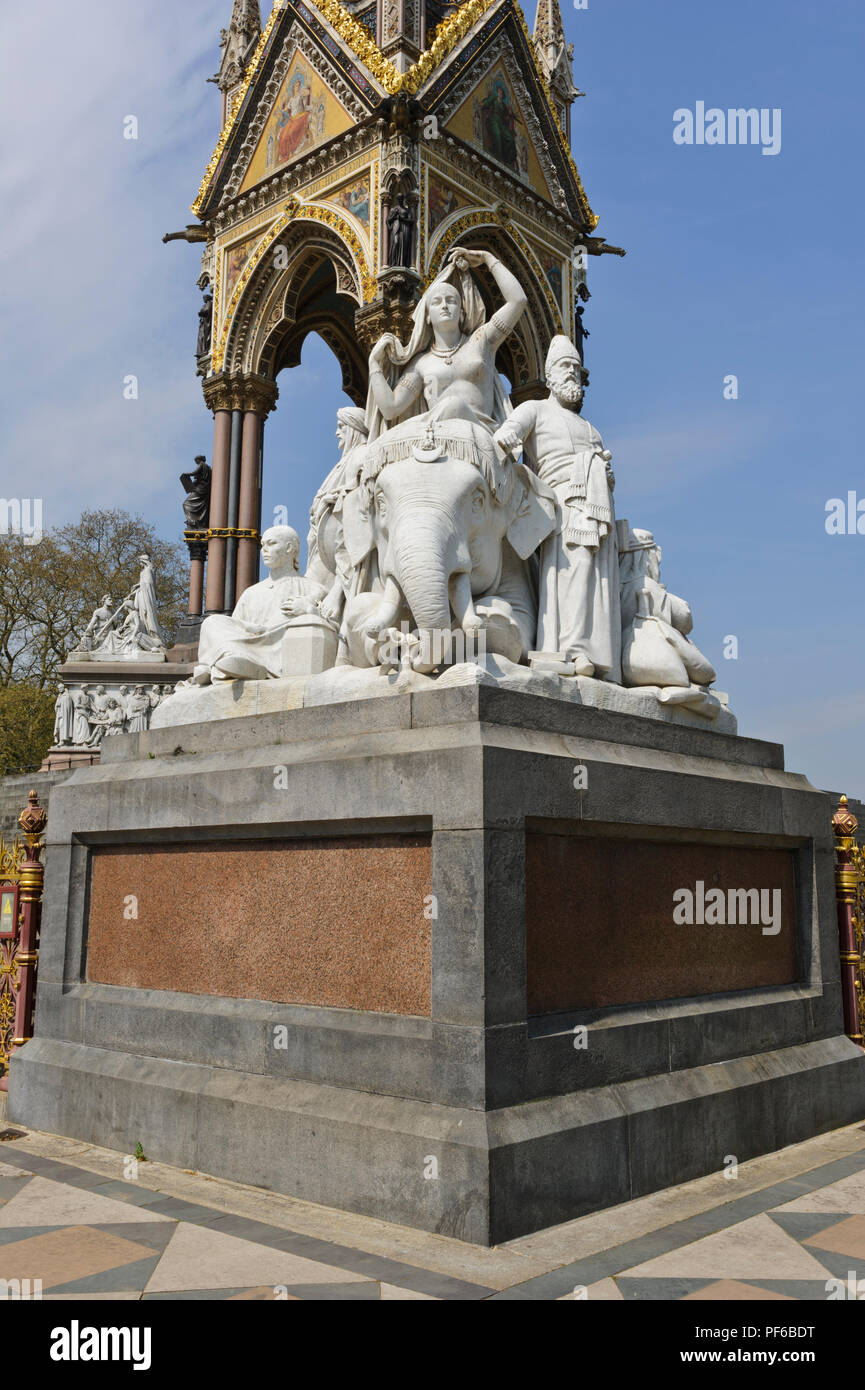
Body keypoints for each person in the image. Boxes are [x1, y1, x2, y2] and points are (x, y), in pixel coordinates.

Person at [494, 335, 621, 680]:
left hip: (597, 504)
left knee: (599, 577)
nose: (573, 375)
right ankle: (573, 649)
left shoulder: (591, 429)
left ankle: (598, 655)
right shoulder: (534, 409)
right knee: (574, 569)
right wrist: (506, 439)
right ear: (549, 376)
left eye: (577, 370)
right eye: (566, 367)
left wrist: (605, 473)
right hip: (563, 503)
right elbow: (507, 435)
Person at [366, 247, 527, 467]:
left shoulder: (482, 340)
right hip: (439, 441)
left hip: (481, 434)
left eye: (451, 300)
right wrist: (374, 365)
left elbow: (517, 301)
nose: (444, 305)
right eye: (436, 301)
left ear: (461, 312)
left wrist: (488, 258)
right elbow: (391, 408)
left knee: (454, 406)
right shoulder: (421, 364)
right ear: (428, 316)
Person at [193, 526, 327, 684]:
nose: (264, 550)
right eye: (263, 545)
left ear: (290, 548)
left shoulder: (314, 589)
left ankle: (243, 664)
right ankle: (230, 662)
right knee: (211, 621)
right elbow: (237, 628)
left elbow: (332, 626)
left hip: (280, 651)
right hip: (249, 641)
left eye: (271, 544)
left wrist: (309, 610)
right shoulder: (251, 593)